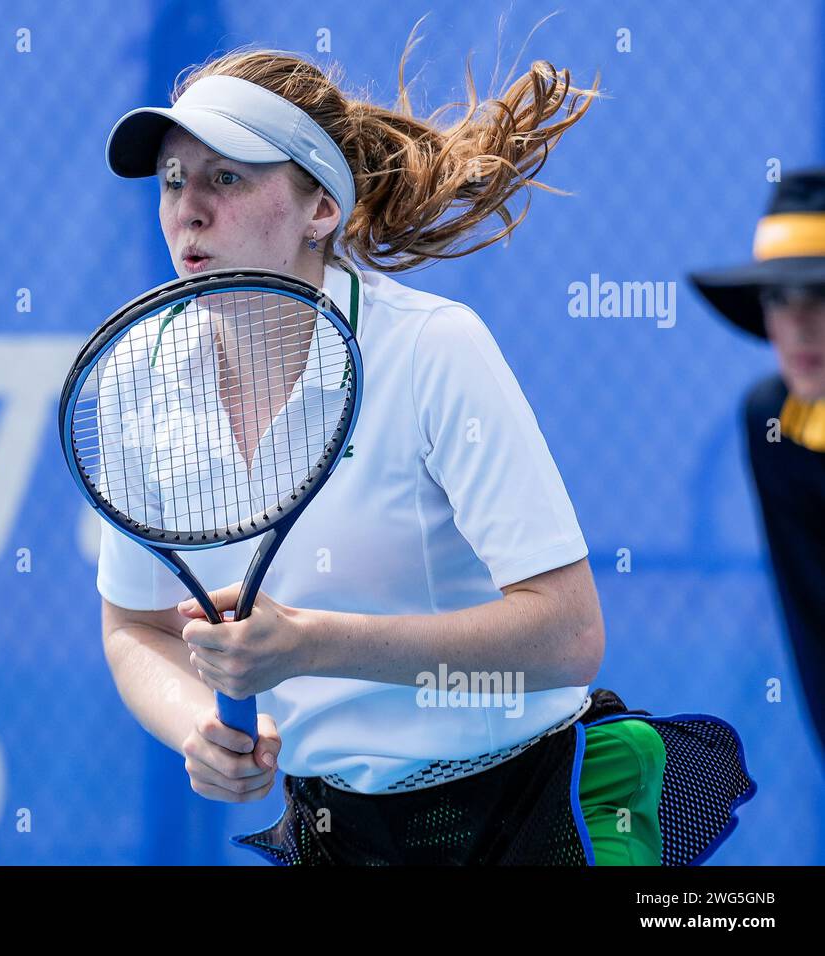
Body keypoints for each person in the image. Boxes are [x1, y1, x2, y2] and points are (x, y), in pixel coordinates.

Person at [98, 43, 754, 864]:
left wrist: (315, 643)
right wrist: (200, 726)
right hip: (340, 830)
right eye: (172, 180)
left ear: (319, 210)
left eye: (225, 177)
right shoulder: (136, 374)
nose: (187, 210)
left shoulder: (432, 349)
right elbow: (134, 626)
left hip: (541, 805)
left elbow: (570, 635)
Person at [689, 167, 825, 762]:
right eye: (778, 297)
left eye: (820, 293)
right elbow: (811, 615)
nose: (798, 326)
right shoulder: (773, 422)